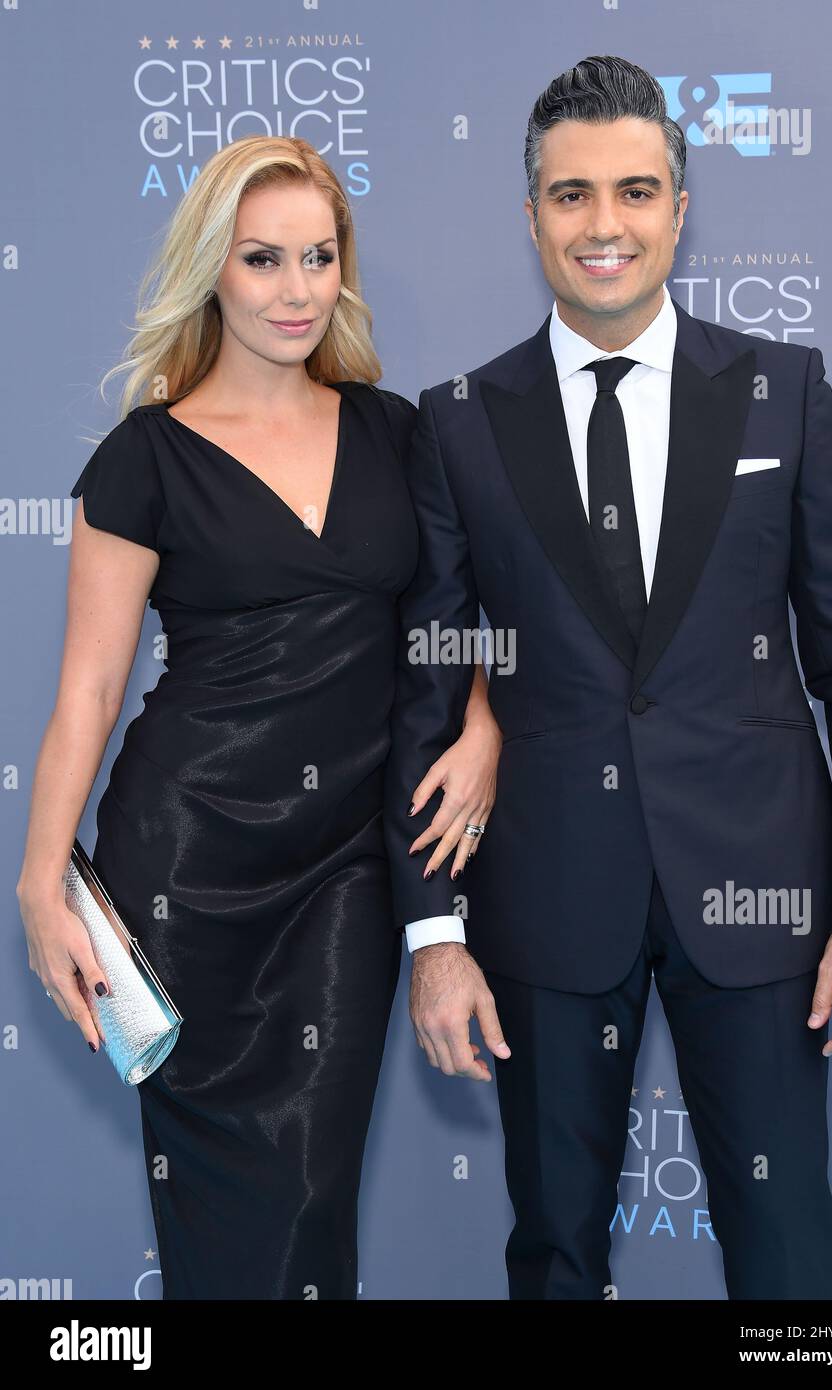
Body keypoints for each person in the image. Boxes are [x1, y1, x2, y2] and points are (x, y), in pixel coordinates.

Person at [385, 55, 832, 1299]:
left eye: (634, 190)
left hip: (765, 895)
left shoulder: (786, 391)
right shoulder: (458, 422)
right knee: (556, 1247)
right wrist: (432, 931)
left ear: (681, 206)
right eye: (571, 196)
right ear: (531, 219)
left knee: (788, 1254)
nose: (603, 225)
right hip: (548, 896)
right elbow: (436, 675)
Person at [16, 135, 502, 1300]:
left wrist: (483, 722)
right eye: (263, 260)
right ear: (212, 273)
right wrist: (41, 879)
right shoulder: (141, 459)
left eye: (318, 258)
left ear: (345, 268)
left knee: (310, 1193)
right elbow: (88, 686)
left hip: (347, 858)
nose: (295, 289)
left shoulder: (400, 432)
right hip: (187, 864)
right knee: (225, 1226)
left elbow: (449, 616)